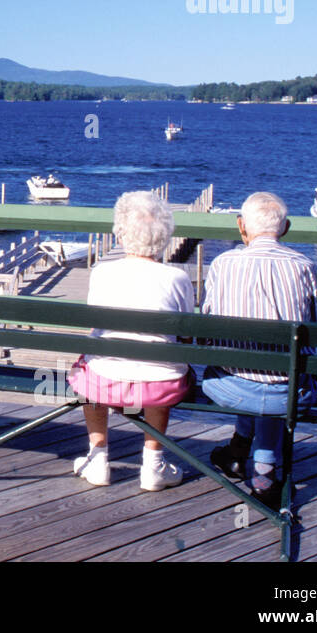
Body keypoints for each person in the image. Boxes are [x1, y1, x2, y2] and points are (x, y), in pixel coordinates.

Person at [68, 191, 195, 491]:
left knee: (85, 367)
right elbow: (187, 335)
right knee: (165, 363)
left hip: (105, 380)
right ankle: (152, 465)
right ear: (163, 236)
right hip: (161, 386)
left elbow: (95, 323)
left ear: (121, 235)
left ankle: (98, 458)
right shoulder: (177, 278)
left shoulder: (102, 272)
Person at [200, 191, 317, 508]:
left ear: (241, 226)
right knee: (280, 377)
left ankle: (240, 452)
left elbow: (206, 327)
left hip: (229, 388)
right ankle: (263, 477)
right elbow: (310, 336)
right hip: (288, 392)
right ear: (286, 227)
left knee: (244, 371)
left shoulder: (223, 264)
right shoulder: (304, 266)